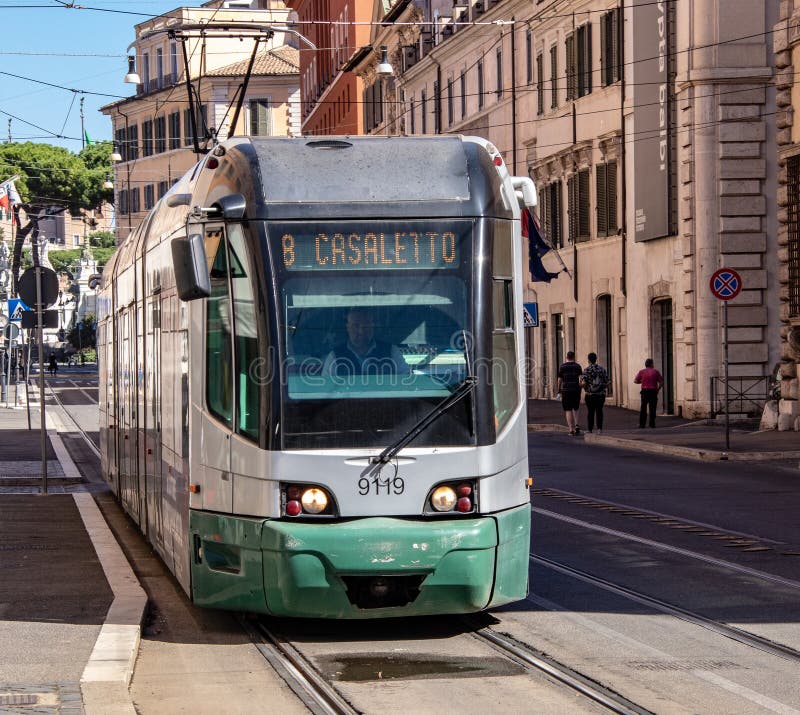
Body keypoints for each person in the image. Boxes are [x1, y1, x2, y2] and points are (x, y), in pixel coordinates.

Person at [323, 307, 407, 376]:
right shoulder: (334, 357)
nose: (361, 331)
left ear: (373, 326)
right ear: (347, 327)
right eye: (356, 326)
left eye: (366, 326)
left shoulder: (391, 352)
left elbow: (406, 382)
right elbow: (326, 390)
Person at [557, 350, 583, 436]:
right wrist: (580, 387)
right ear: (574, 357)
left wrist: (559, 390)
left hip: (566, 391)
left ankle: (571, 430)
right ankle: (577, 425)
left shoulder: (562, 367)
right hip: (576, 390)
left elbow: (560, 379)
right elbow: (580, 378)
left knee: (568, 409)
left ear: (566, 357)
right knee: (576, 408)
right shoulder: (578, 366)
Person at [581, 352, 608, 434]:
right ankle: (599, 429)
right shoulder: (602, 369)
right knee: (599, 411)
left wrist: (582, 386)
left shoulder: (586, 370)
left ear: (588, 360)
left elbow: (584, 383)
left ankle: (590, 429)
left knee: (590, 412)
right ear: (596, 359)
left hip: (590, 395)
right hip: (600, 395)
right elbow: (606, 381)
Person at [634, 358, 664, 428]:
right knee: (652, 408)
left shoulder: (641, 372)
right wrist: (658, 389)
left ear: (646, 364)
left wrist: (642, 381)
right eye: (653, 363)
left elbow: (635, 381)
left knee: (643, 408)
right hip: (653, 391)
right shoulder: (656, 372)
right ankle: (652, 424)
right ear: (651, 364)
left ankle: (642, 424)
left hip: (644, 391)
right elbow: (661, 382)